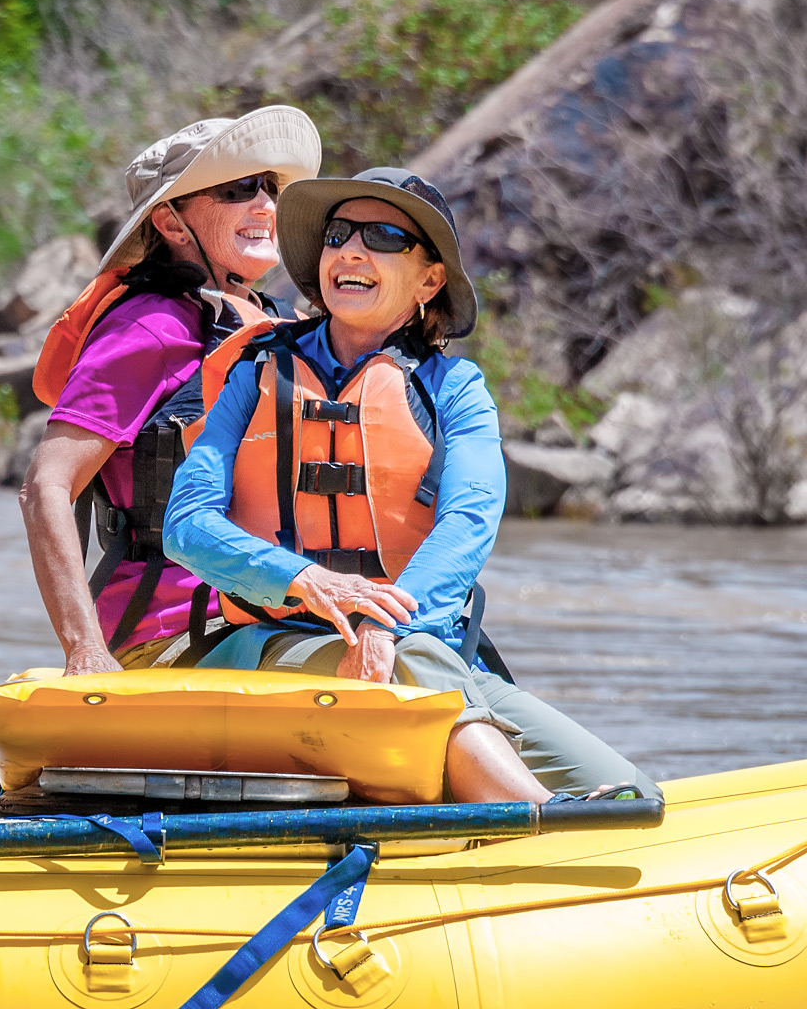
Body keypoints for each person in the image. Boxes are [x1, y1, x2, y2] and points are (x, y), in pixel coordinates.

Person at [162, 167, 658, 803]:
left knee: (631, 796)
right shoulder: (252, 374)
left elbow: (468, 522)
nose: (351, 251)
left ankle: (542, 813)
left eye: (383, 238)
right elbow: (187, 526)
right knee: (413, 663)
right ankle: (540, 822)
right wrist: (306, 580)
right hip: (274, 646)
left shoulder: (457, 390)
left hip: (415, 645)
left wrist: (384, 623)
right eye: (338, 235)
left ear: (430, 280)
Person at [20, 108, 320, 677]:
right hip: (178, 630)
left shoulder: (282, 325)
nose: (265, 205)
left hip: (283, 617)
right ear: (172, 224)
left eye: (269, 187)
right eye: (238, 189)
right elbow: (45, 487)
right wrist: (85, 650)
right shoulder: (149, 328)